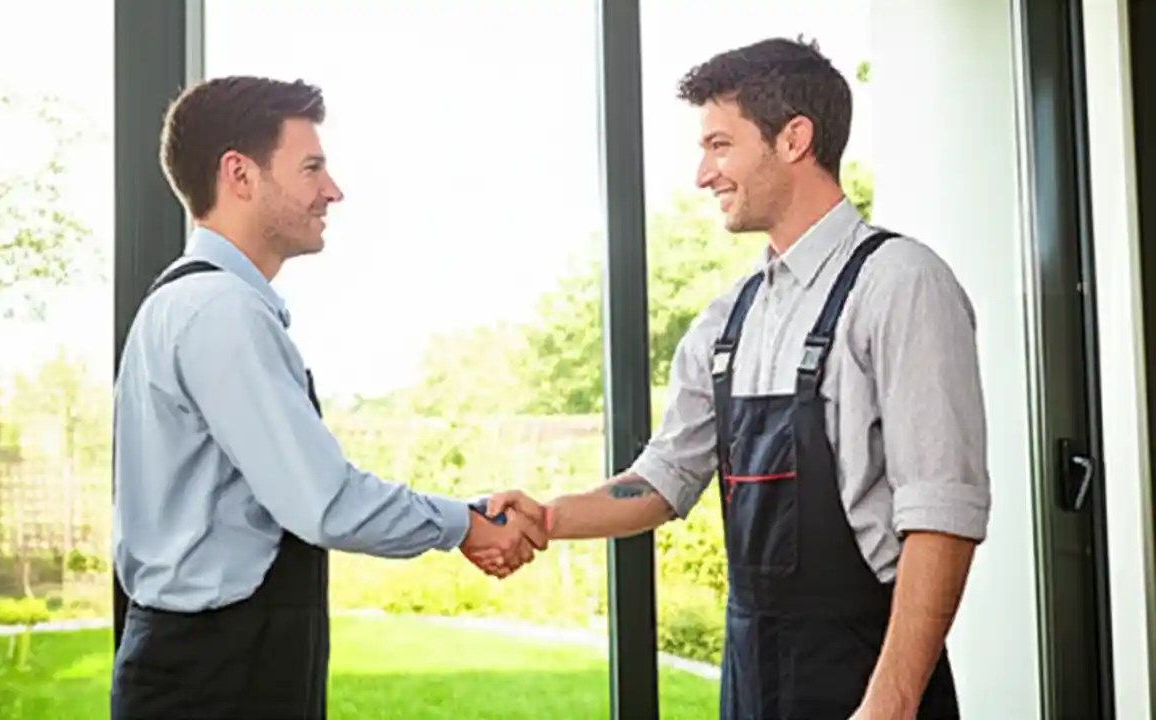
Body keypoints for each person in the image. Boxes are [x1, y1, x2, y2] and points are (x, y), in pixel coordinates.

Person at [484, 38, 989, 720]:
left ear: (794, 139)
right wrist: (548, 517)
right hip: (752, 673)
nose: (703, 174)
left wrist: (891, 703)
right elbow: (665, 477)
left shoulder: (900, 285)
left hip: (865, 677)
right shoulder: (728, 321)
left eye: (720, 145)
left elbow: (941, 516)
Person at [110, 76, 546, 720]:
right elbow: (324, 501)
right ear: (239, 175)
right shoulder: (219, 312)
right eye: (311, 166)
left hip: (218, 660)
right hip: (216, 678)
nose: (332, 190)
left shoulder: (192, 304)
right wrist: (463, 524)